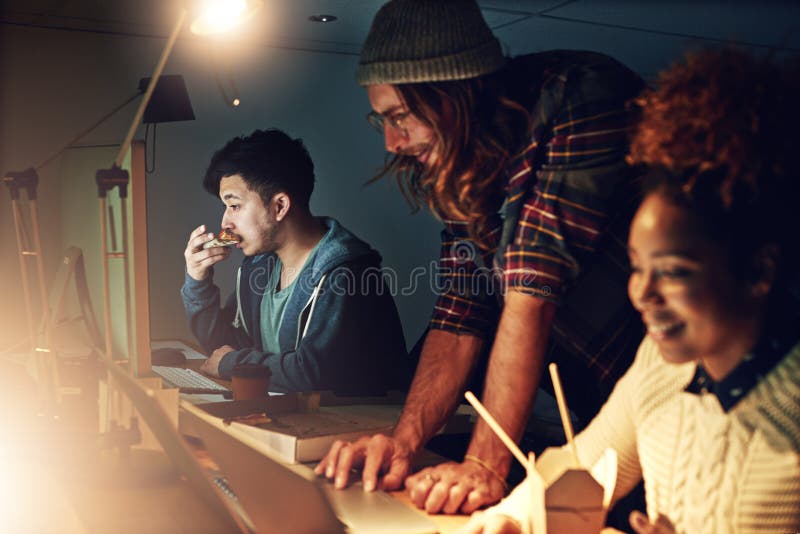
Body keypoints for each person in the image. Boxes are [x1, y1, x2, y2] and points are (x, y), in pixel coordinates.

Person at [316, 0, 645, 514]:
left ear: (453, 94)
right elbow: (459, 312)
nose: (392, 141)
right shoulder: (466, 157)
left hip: (691, 385)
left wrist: (484, 467)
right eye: (380, 119)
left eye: (401, 116)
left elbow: (531, 291)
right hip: (605, 407)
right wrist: (404, 443)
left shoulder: (581, 93)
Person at [460, 47, 800, 534]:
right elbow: (578, 466)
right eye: (638, 266)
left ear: (759, 269)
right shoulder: (659, 369)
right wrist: (508, 519)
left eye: (675, 272)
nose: (643, 293)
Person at [181, 128, 408, 395]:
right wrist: (198, 282)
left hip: (362, 427)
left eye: (235, 206)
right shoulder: (260, 267)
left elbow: (313, 372)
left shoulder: (346, 272)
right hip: (297, 420)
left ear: (279, 206)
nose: (224, 223)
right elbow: (222, 349)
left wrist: (232, 364)